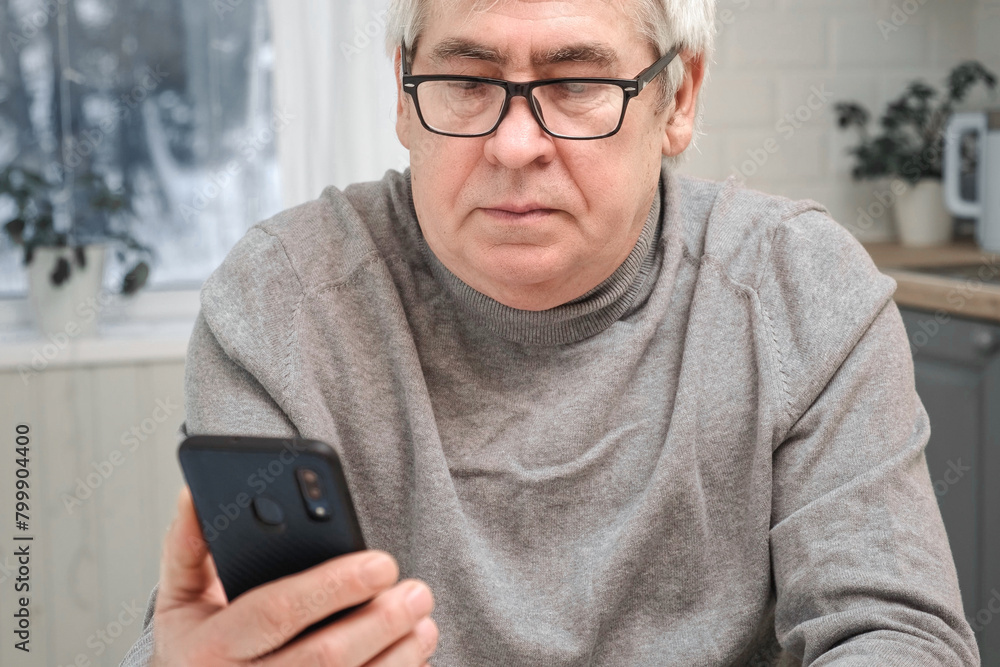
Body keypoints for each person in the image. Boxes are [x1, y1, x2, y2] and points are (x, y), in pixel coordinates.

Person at [121, 0, 981, 665]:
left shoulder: (801, 289)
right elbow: (247, 631)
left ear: (678, 98)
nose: (514, 144)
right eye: (467, 80)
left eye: (575, 84)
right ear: (403, 93)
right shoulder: (283, 301)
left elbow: (896, 633)